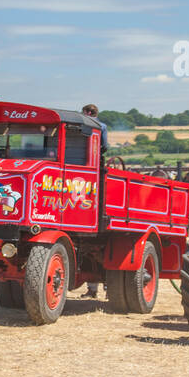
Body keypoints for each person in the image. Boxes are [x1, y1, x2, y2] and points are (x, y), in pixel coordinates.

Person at [82, 105, 108, 298]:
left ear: (87, 113)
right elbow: (104, 147)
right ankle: (100, 289)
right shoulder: (102, 126)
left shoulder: (83, 123)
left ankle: (95, 289)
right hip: (93, 164)